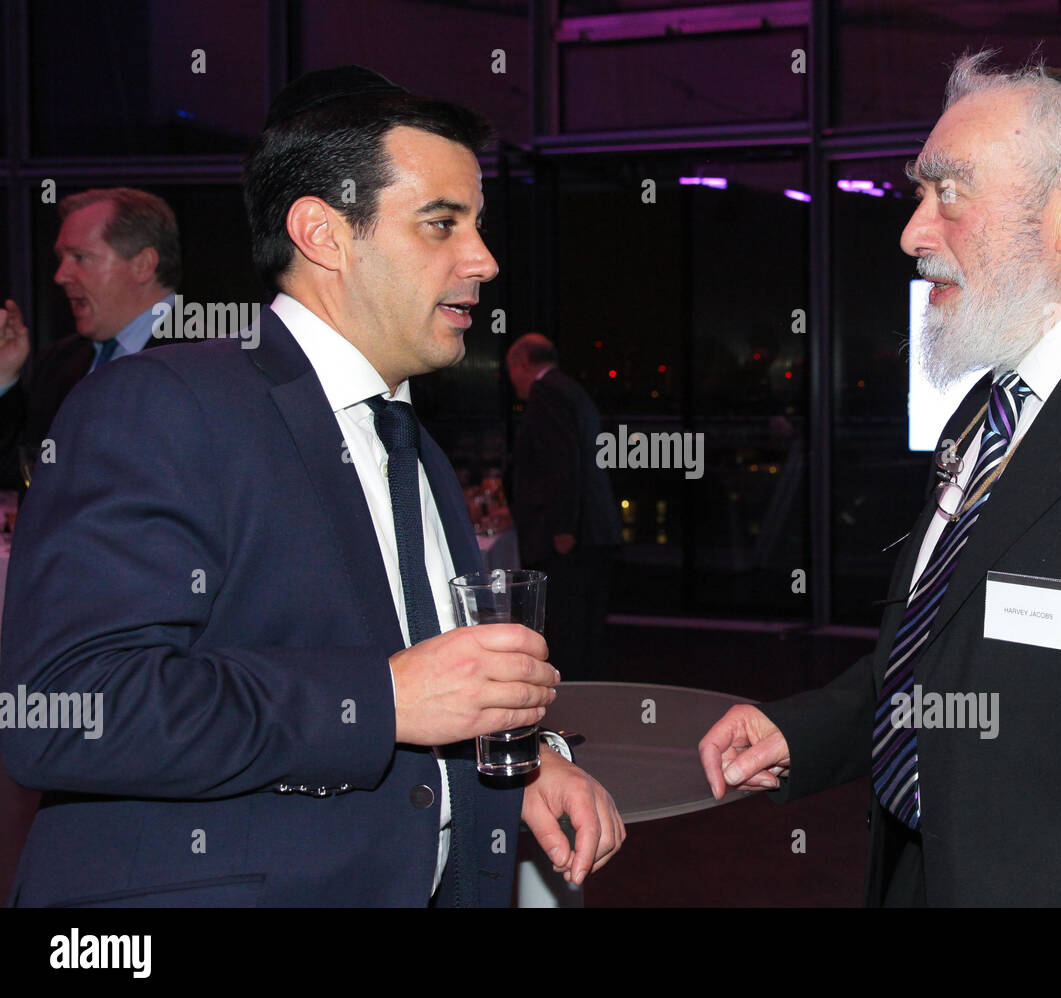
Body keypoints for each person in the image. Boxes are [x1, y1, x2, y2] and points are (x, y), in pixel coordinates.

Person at [1, 65, 624, 907]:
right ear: (324, 234)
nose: (483, 258)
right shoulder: (160, 404)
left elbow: (431, 694)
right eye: (441, 224)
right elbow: (63, 709)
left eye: (476, 224)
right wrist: (380, 699)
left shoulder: (414, 448)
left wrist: (527, 763)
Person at [699, 50, 1061, 906]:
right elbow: (951, 646)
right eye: (919, 194)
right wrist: (809, 732)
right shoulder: (993, 402)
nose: (912, 231)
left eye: (949, 191)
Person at [0, 188, 181, 490]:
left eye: (79, 257)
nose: (60, 276)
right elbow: (15, 473)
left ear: (142, 265)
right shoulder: (59, 361)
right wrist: (5, 377)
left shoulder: (212, 354)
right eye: (61, 258)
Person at [505, 333, 622, 681]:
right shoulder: (570, 389)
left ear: (522, 363)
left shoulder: (548, 393)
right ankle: (587, 698)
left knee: (568, 626)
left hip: (571, 536)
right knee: (585, 627)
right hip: (591, 530)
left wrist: (562, 528)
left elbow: (562, 464)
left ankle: (571, 703)